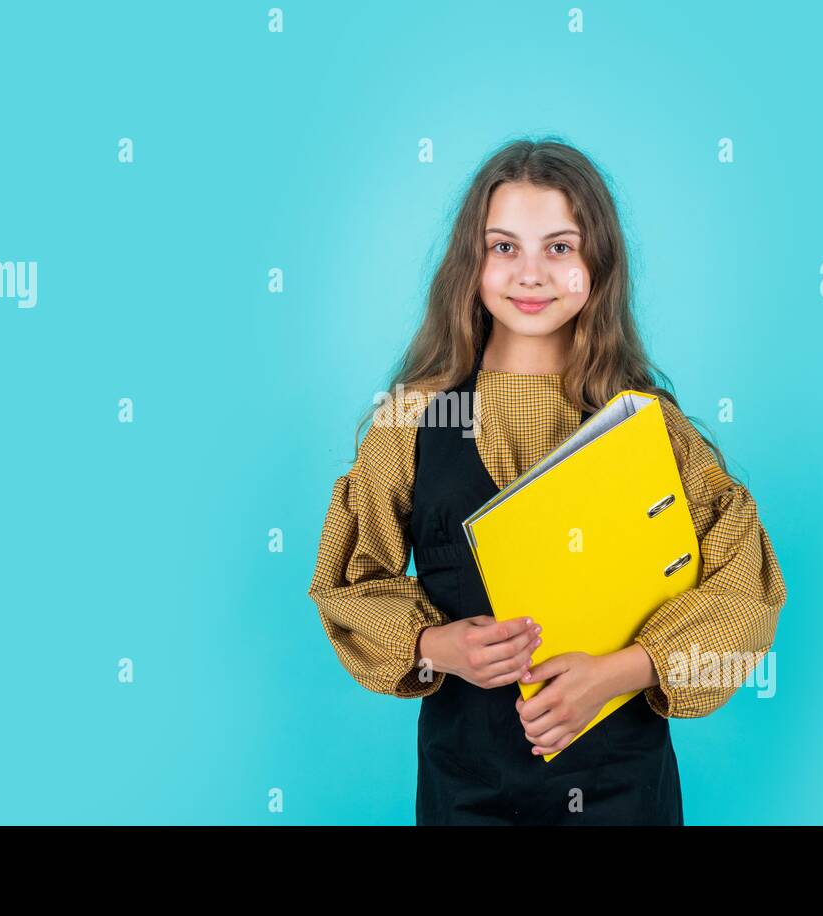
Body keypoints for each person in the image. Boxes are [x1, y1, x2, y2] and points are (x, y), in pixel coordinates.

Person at [307, 138, 788, 826]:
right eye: (504, 247)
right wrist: (437, 646)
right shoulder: (411, 419)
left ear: (597, 264)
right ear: (469, 263)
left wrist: (620, 673)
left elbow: (745, 586)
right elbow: (346, 588)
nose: (530, 274)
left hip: (623, 791)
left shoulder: (648, 425)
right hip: (465, 789)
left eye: (559, 247)